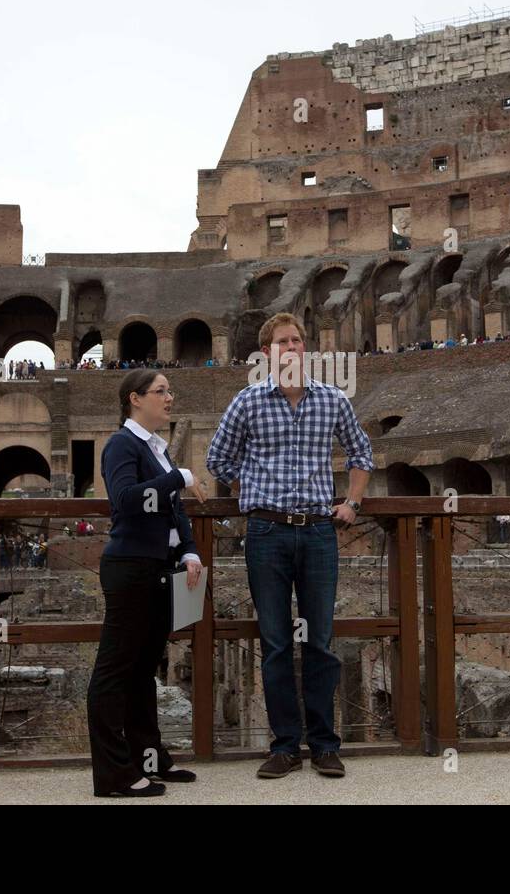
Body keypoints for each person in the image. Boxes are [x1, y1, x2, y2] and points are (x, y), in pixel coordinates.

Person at [206, 311, 373, 780]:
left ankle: (323, 745)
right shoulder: (247, 401)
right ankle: (284, 746)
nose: (293, 347)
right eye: (283, 341)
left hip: (319, 531)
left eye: (298, 340)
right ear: (267, 353)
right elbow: (217, 459)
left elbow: (362, 453)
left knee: (320, 641)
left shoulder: (333, 400)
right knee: (276, 643)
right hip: (267, 533)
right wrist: (248, 488)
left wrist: (353, 503)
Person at [87, 368, 206, 799]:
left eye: (169, 391)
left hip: (158, 567)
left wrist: (190, 550)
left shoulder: (156, 448)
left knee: (142, 672)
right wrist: (180, 478)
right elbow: (125, 500)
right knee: (114, 672)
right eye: (160, 392)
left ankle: (149, 758)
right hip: (129, 567)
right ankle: (114, 775)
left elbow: (173, 511)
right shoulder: (122, 444)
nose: (169, 398)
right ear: (135, 399)